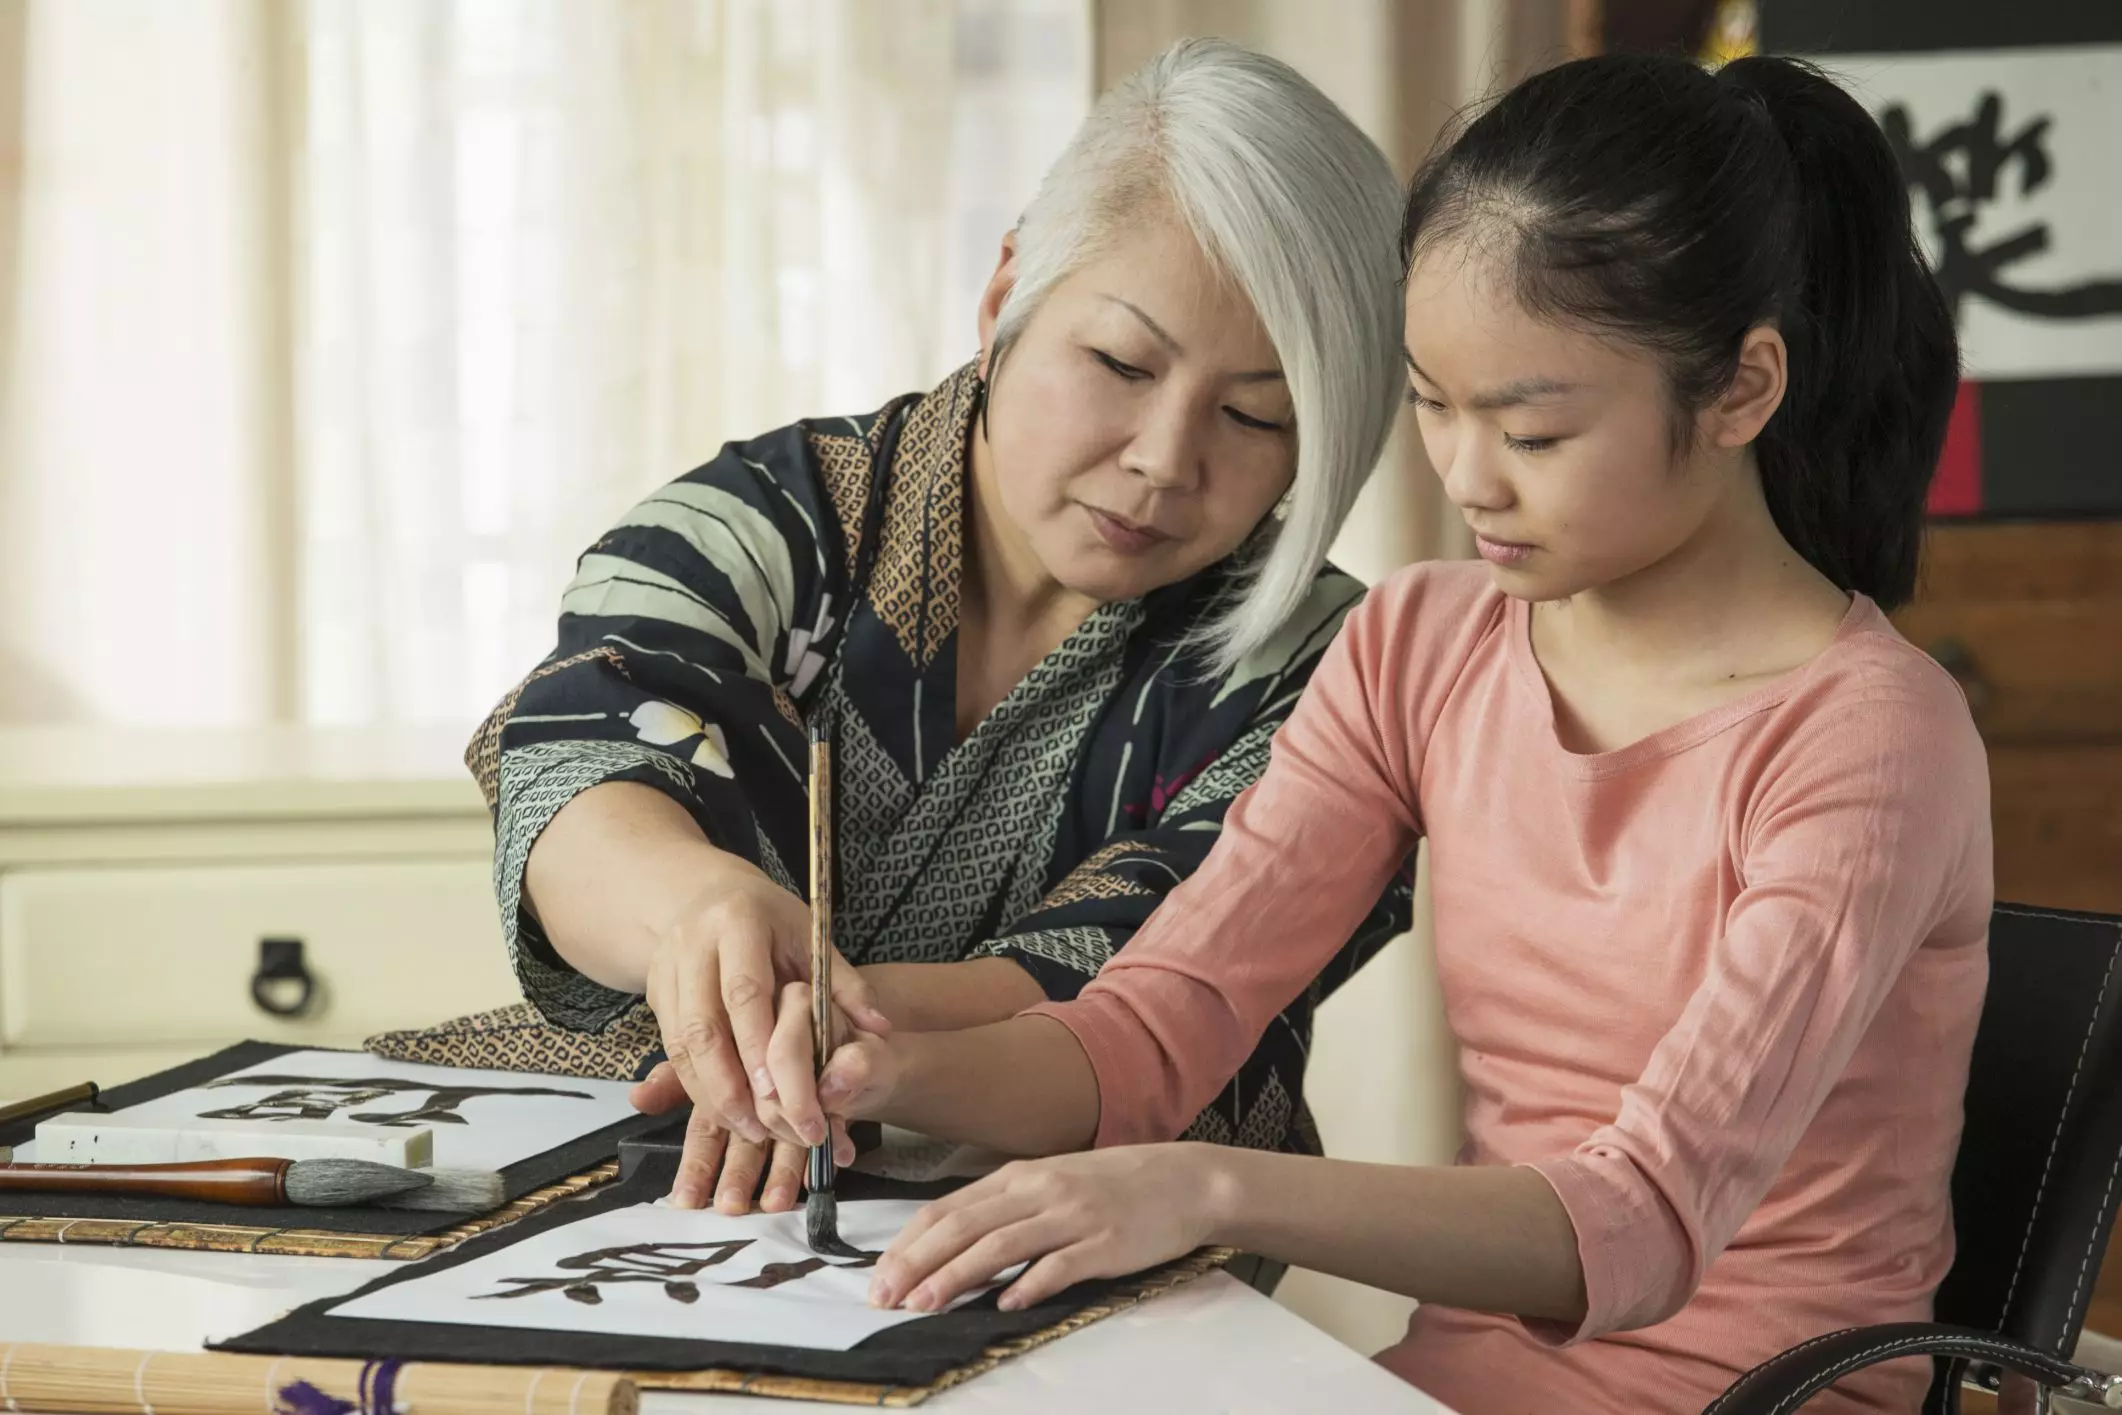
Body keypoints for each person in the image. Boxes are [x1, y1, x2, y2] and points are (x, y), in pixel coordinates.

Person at [747, 52, 1991, 1415]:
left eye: (1530, 426)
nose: (1464, 476)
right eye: (1433, 405)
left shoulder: (1865, 737)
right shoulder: (1422, 645)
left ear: (1740, 390)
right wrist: (877, 1060)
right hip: (1451, 1383)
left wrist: (1209, 1183)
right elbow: (1159, 1026)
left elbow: (1641, 1217)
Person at [473, 38, 1415, 1217]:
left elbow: (1150, 985)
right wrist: (696, 911)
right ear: (1004, 294)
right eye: (1120, 362)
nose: (1165, 460)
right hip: (673, 1174)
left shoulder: (1347, 671)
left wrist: (804, 1029)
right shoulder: (774, 520)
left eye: (1252, 415)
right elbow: (581, 754)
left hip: (1108, 1221)